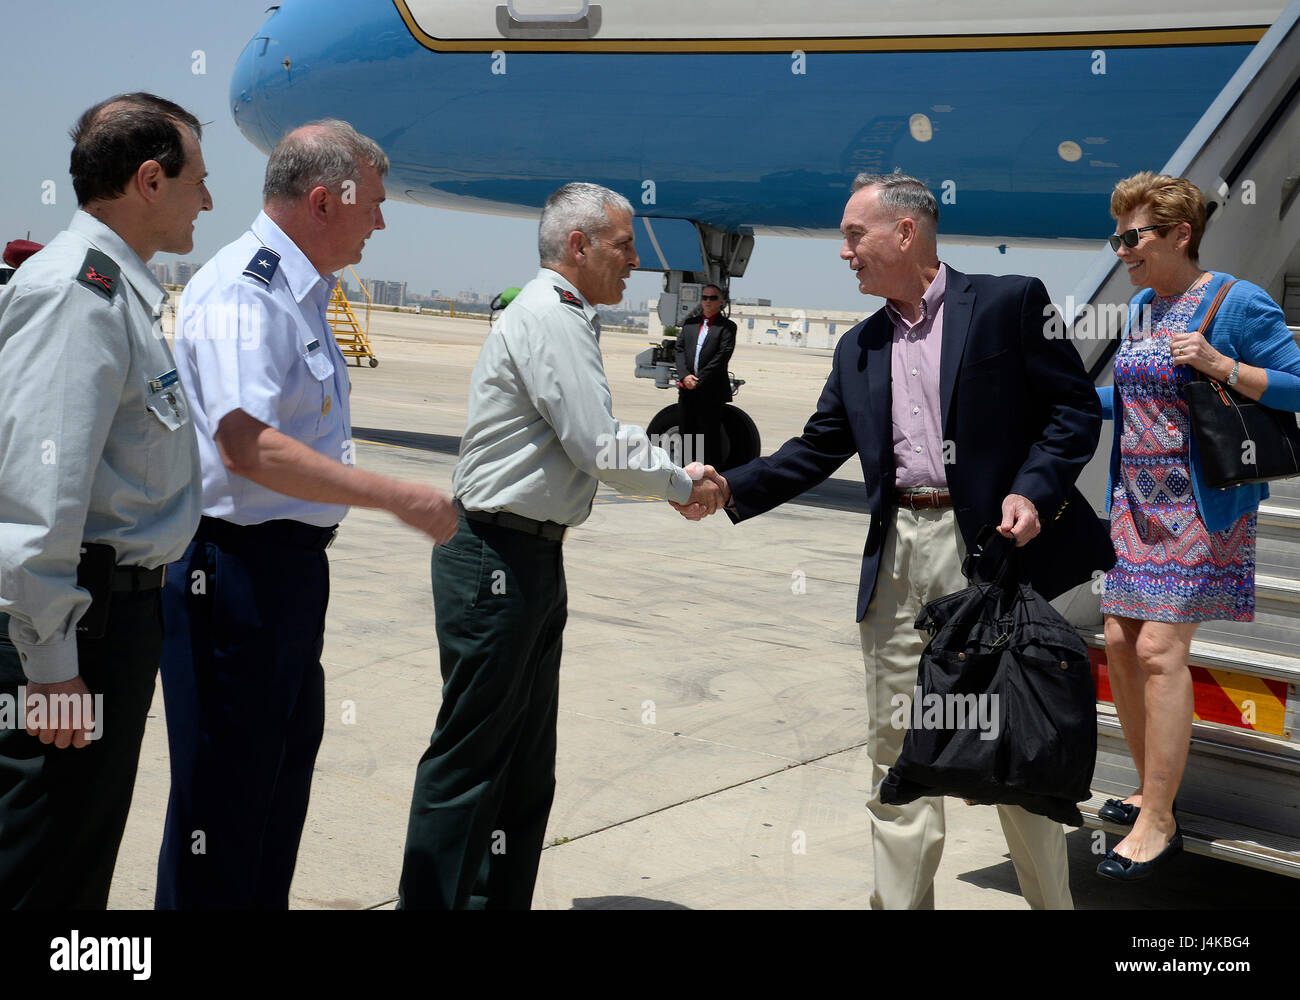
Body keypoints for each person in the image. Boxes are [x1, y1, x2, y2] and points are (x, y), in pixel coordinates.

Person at [679, 171, 1114, 909]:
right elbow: (816, 449)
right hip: (898, 559)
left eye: (854, 236)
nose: (844, 253)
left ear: (904, 233)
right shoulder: (859, 347)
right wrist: (728, 484)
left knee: (1014, 754)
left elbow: (1073, 412)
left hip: (987, 554)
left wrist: (1033, 491)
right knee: (897, 750)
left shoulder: (1009, 304)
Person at [155, 120, 458, 909]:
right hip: (231, 579)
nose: (383, 223)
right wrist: (398, 495)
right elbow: (247, 447)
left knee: (273, 796)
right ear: (325, 201)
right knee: (222, 810)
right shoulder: (243, 293)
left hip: (284, 578)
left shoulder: (302, 294)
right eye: (375, 206)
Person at [398, 182, 725, 909]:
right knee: (472, 767)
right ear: (578, 245)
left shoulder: (561, 316)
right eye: (623, 245)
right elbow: (599, 446)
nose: (635, 262)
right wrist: (681, 484)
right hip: (496, 559)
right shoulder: (552, 315)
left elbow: (592, 444)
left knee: (520, 773)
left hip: (528, 557)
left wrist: (677, 473)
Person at [0, 93, 211, 908]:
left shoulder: (117, 292)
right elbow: (35, 496)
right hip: (78, 632)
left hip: (110, 623)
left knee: (75, 862)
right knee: (43, 868)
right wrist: (51, 666)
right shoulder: (77, 296)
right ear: (150, 180)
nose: (209, 200)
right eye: (199, 179)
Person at [1094, 172, 1300, 880]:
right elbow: (1134, 399)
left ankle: (1159, 818)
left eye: (1134, 236)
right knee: (1118, 641)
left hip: (1201, 506)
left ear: (1181, 233)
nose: (1121, 249)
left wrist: (1221, 363)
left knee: (1157, 649)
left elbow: (1297, 384)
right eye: (1117, 236)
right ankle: (1151, 786)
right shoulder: (1145, 307)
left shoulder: (1236, 301)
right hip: (1137, 506)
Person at [675, 283, 737, 468]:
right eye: (705, 297)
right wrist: (685, 376)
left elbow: (722, 356)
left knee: (709, 438)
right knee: (687, 435)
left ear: (721, 301)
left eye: (712, 298)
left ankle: (712, 478)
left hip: (710, 391)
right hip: (687, 390)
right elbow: (679, 350)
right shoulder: (690, 324)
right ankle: (687, 476)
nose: (708, 301)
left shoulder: (727, 327)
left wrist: (699, 379)